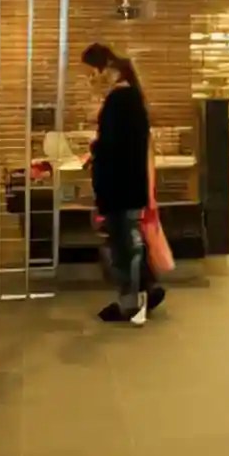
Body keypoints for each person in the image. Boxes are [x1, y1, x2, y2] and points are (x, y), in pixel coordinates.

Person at [81, 43, 165, 325]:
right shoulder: (130, 97)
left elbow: (114, 146)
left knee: (124, 248)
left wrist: (95, 149)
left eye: (91, 73)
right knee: (129, 242)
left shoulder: (119, 100)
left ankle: (131, 304)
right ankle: (145, 292)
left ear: (105, 67)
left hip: (119, 186)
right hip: (128, 184)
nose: (91, 79)